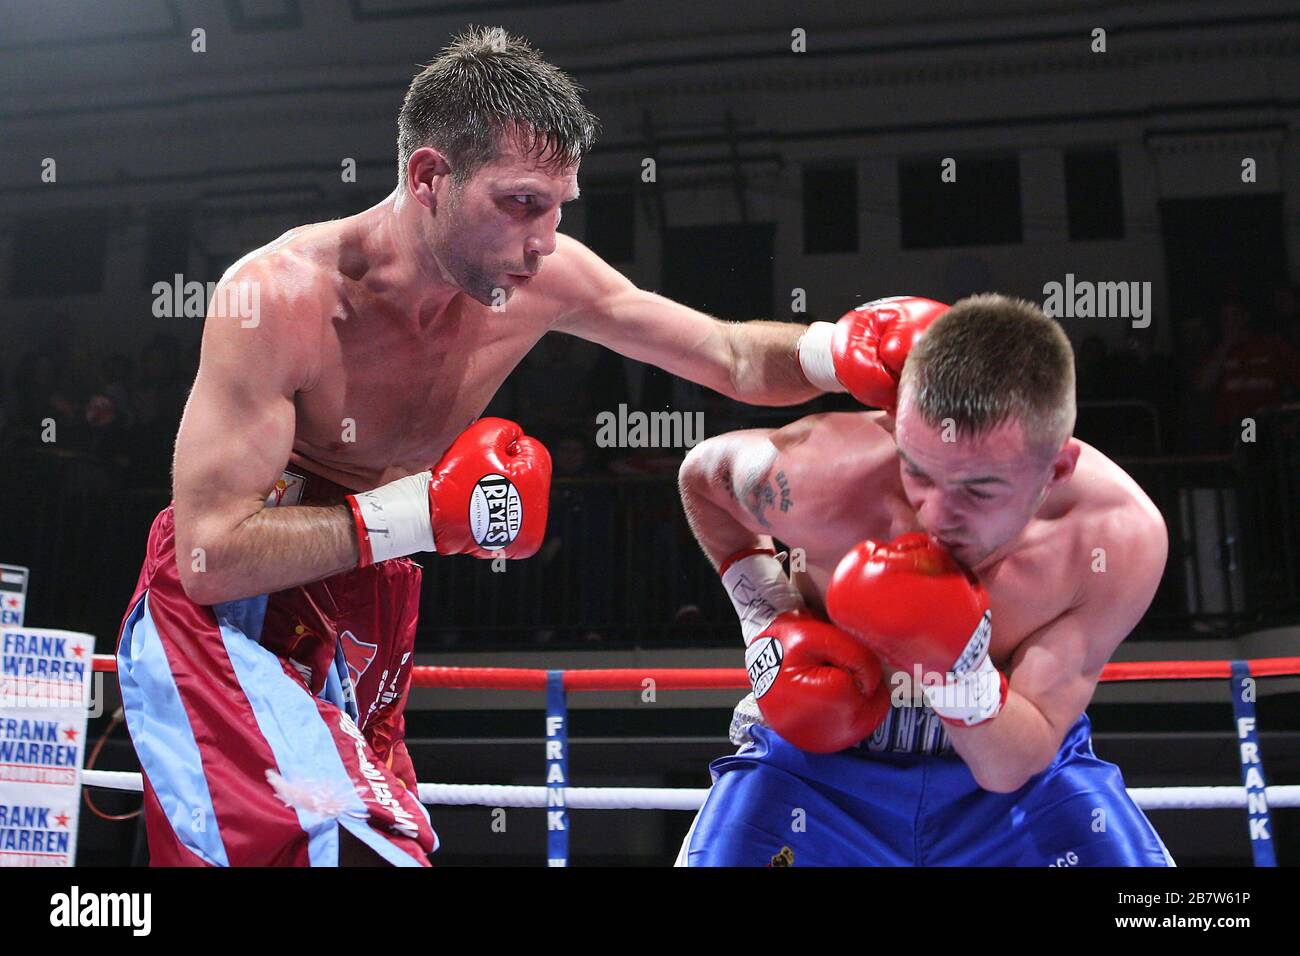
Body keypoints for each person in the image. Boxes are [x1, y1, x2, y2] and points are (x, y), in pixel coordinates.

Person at [114, 26, 874, 867]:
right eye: (519, 203)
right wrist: (424, 513)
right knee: (358, 849)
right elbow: (210, 555)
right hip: (235, 620)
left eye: (557, 208)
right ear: (430, 177)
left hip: (374, 599)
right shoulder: (281, 296)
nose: (544, 239)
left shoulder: (542, 279)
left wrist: (839, 352)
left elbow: (729, 355)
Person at [675, 294, 1174, 866]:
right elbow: (702, 478)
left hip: (1013, 779)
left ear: (1055, 470)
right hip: (813, 763)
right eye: (918, 470)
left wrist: (950, 664)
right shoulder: (822, 475)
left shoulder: (1112, 539)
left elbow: (1009, 765)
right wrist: (768, 616)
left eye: (977, 489)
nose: (935, 514)